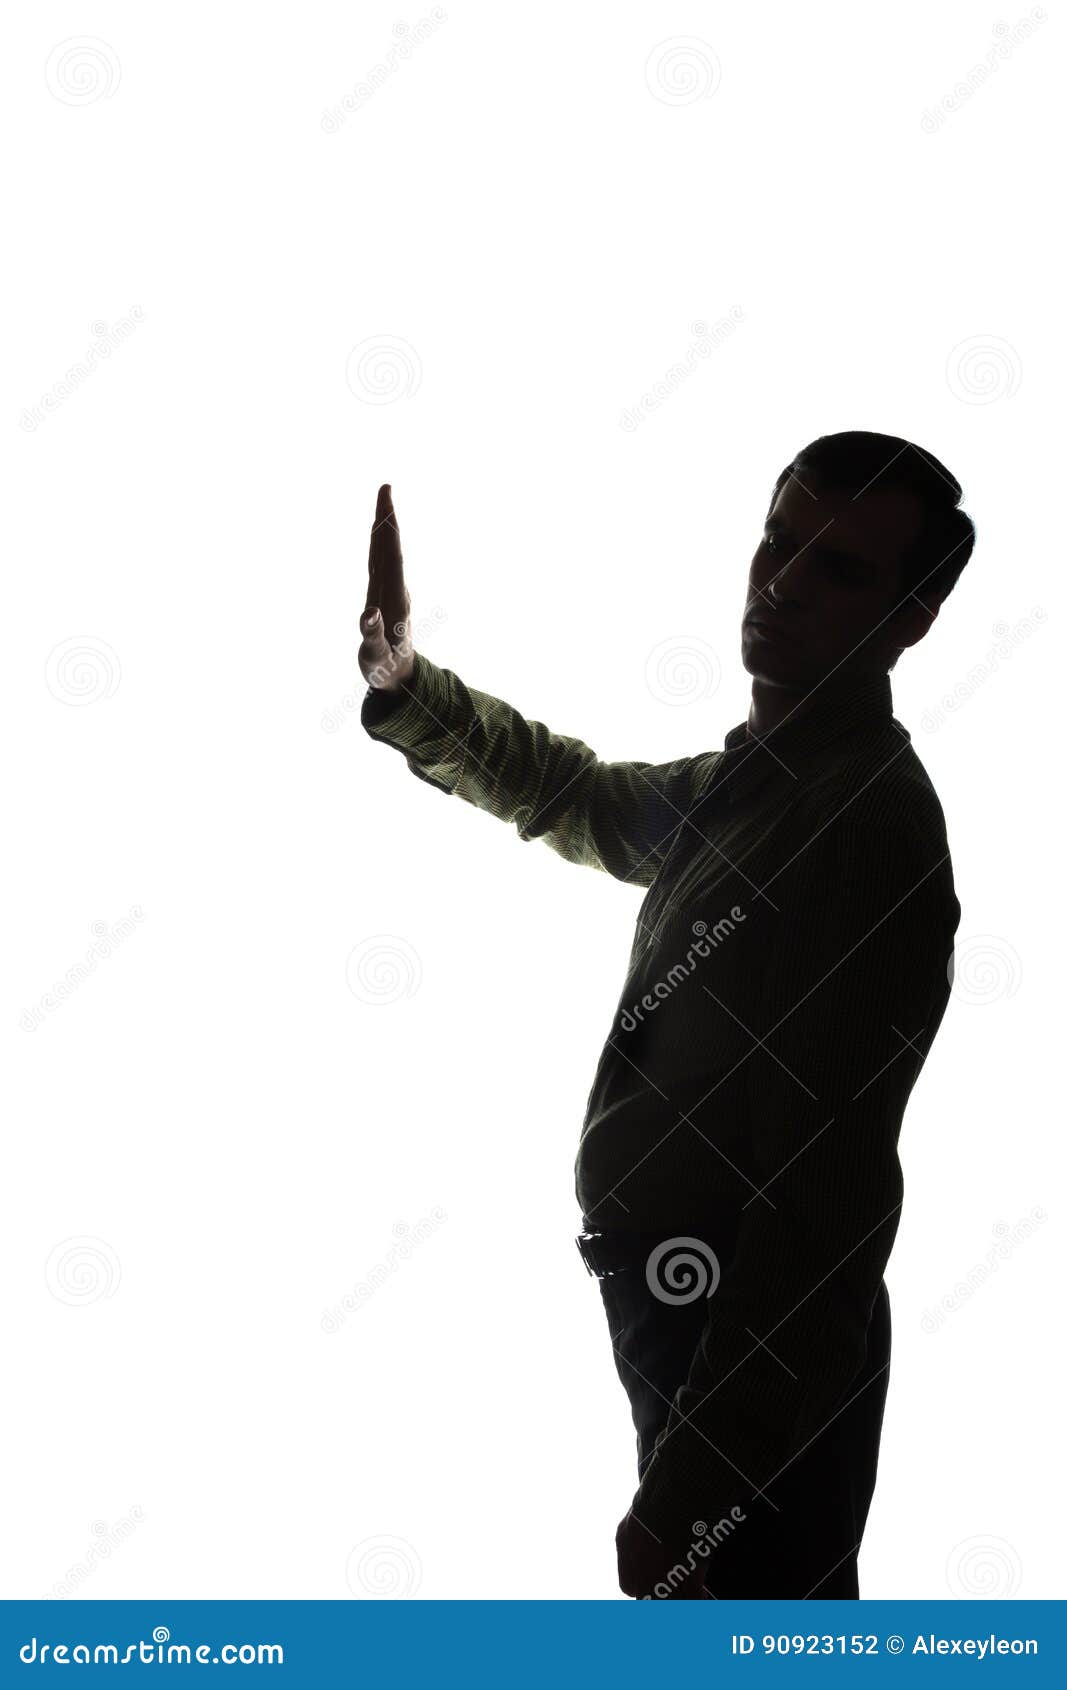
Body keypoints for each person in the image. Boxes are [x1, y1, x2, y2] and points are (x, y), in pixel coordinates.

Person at [357, 432, 973, 1598]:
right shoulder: (754, 785)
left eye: (839, 569)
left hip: (739, 1351)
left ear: (911, 618)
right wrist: (408, 686)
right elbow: (575, 793)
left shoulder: (863, 826)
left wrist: (700, 1485)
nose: (783, 583)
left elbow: (823, 1205)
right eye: (779, 543)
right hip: (685, 1321)